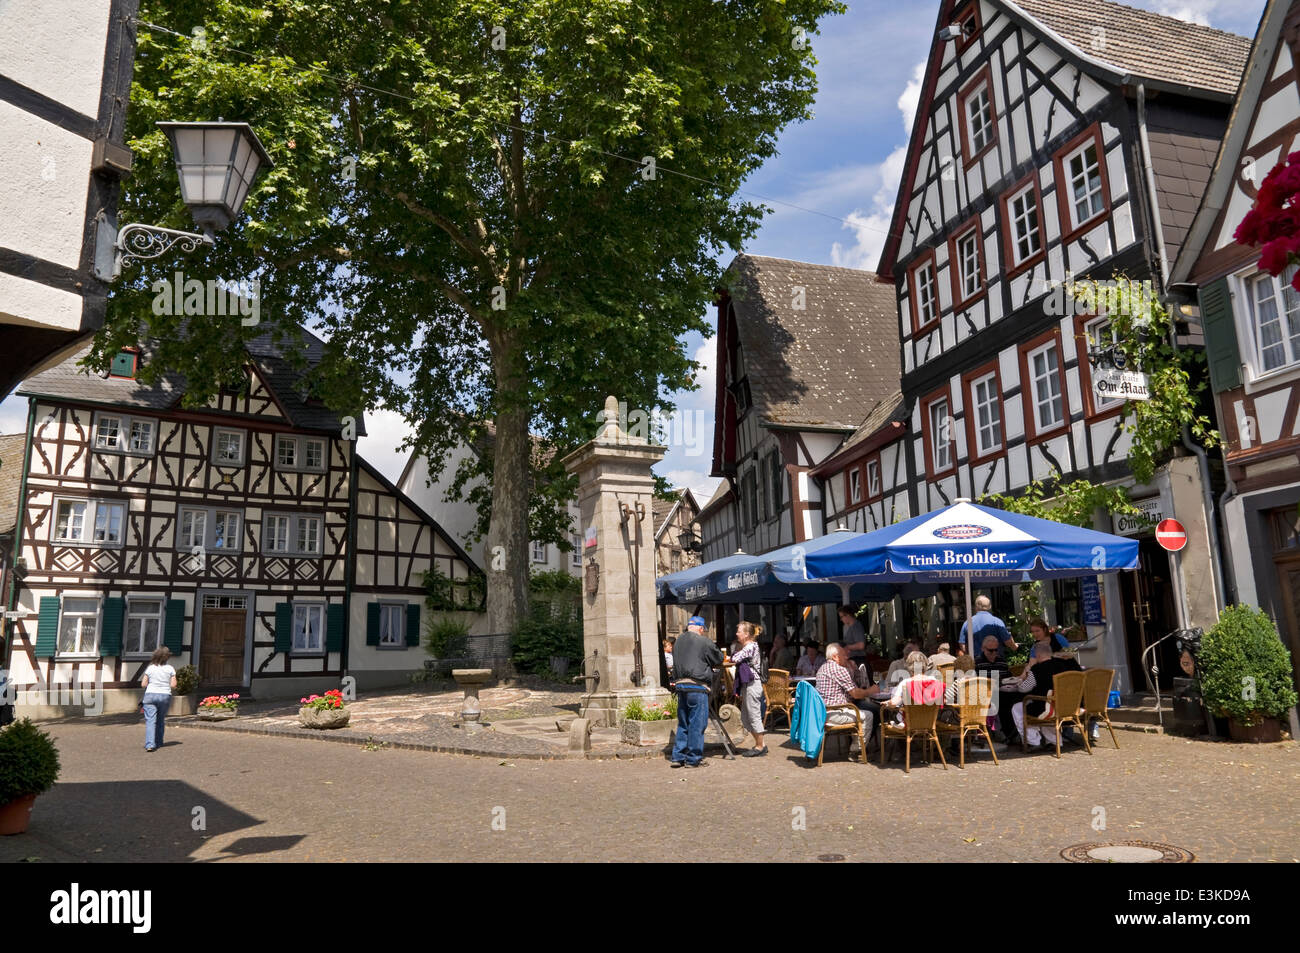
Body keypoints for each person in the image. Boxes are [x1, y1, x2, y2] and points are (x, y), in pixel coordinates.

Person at [670, 616, 724, 768]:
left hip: (680, 686)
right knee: (696, 724)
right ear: (701, 628)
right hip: (697, 686)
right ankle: (693, 759)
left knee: (683, 723)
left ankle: (677, 757)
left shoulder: (678, 641)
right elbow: (718, 658)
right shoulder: (703, 641)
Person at [1011, 642, 1085, 750]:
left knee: (1018, 708)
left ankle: (1033, 742)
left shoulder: (1037, 669)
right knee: (1047, 704)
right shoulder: (1063, 666)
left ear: (1038, 655)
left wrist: (1023, 677)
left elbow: (1023, 689)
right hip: (1067, 707)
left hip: (1048, 709)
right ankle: (1055, 742)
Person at [815, 643, 874, 745]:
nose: (846, 657)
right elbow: (855, 693)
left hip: (822, 712)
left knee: (866, 708)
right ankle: (857, 751)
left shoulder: (822, 668)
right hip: (835, 712)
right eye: (843, 655)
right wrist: (871, 691)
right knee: (869, 714)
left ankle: (853, 745)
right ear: (835, 657)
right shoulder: (839, 669)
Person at [974, 635, 1022, 745]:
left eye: (996, 650)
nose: (994, 653)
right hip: (986, 695)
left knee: (1016, 699)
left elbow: (1008, 677)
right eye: (990, 650)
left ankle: (1013, 733)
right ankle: (1003, 733)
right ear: (983, 649)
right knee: (999, 701)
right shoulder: (977, 663)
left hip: (1004, 692)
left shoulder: (1001, 661)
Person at [730, 622, 768, 757]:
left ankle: (759, 747)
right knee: (745, 717)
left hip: (753, 684)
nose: (736, 633)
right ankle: (761, 743)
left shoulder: (750, 646)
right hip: (748, 684)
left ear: (746, 634)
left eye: (739, 631)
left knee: (753, 716)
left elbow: (734, 658)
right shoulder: (748, 646)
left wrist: (735, 652)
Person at [140, 646, 178, 752]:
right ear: (167, 657)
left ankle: (150, 745)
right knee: (160, 720)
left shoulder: (150, 668)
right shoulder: (170, 668)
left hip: (150, 695)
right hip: (164, 695)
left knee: (150, 721)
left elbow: (143, 684)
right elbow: (174, 684)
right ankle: (159, 742)